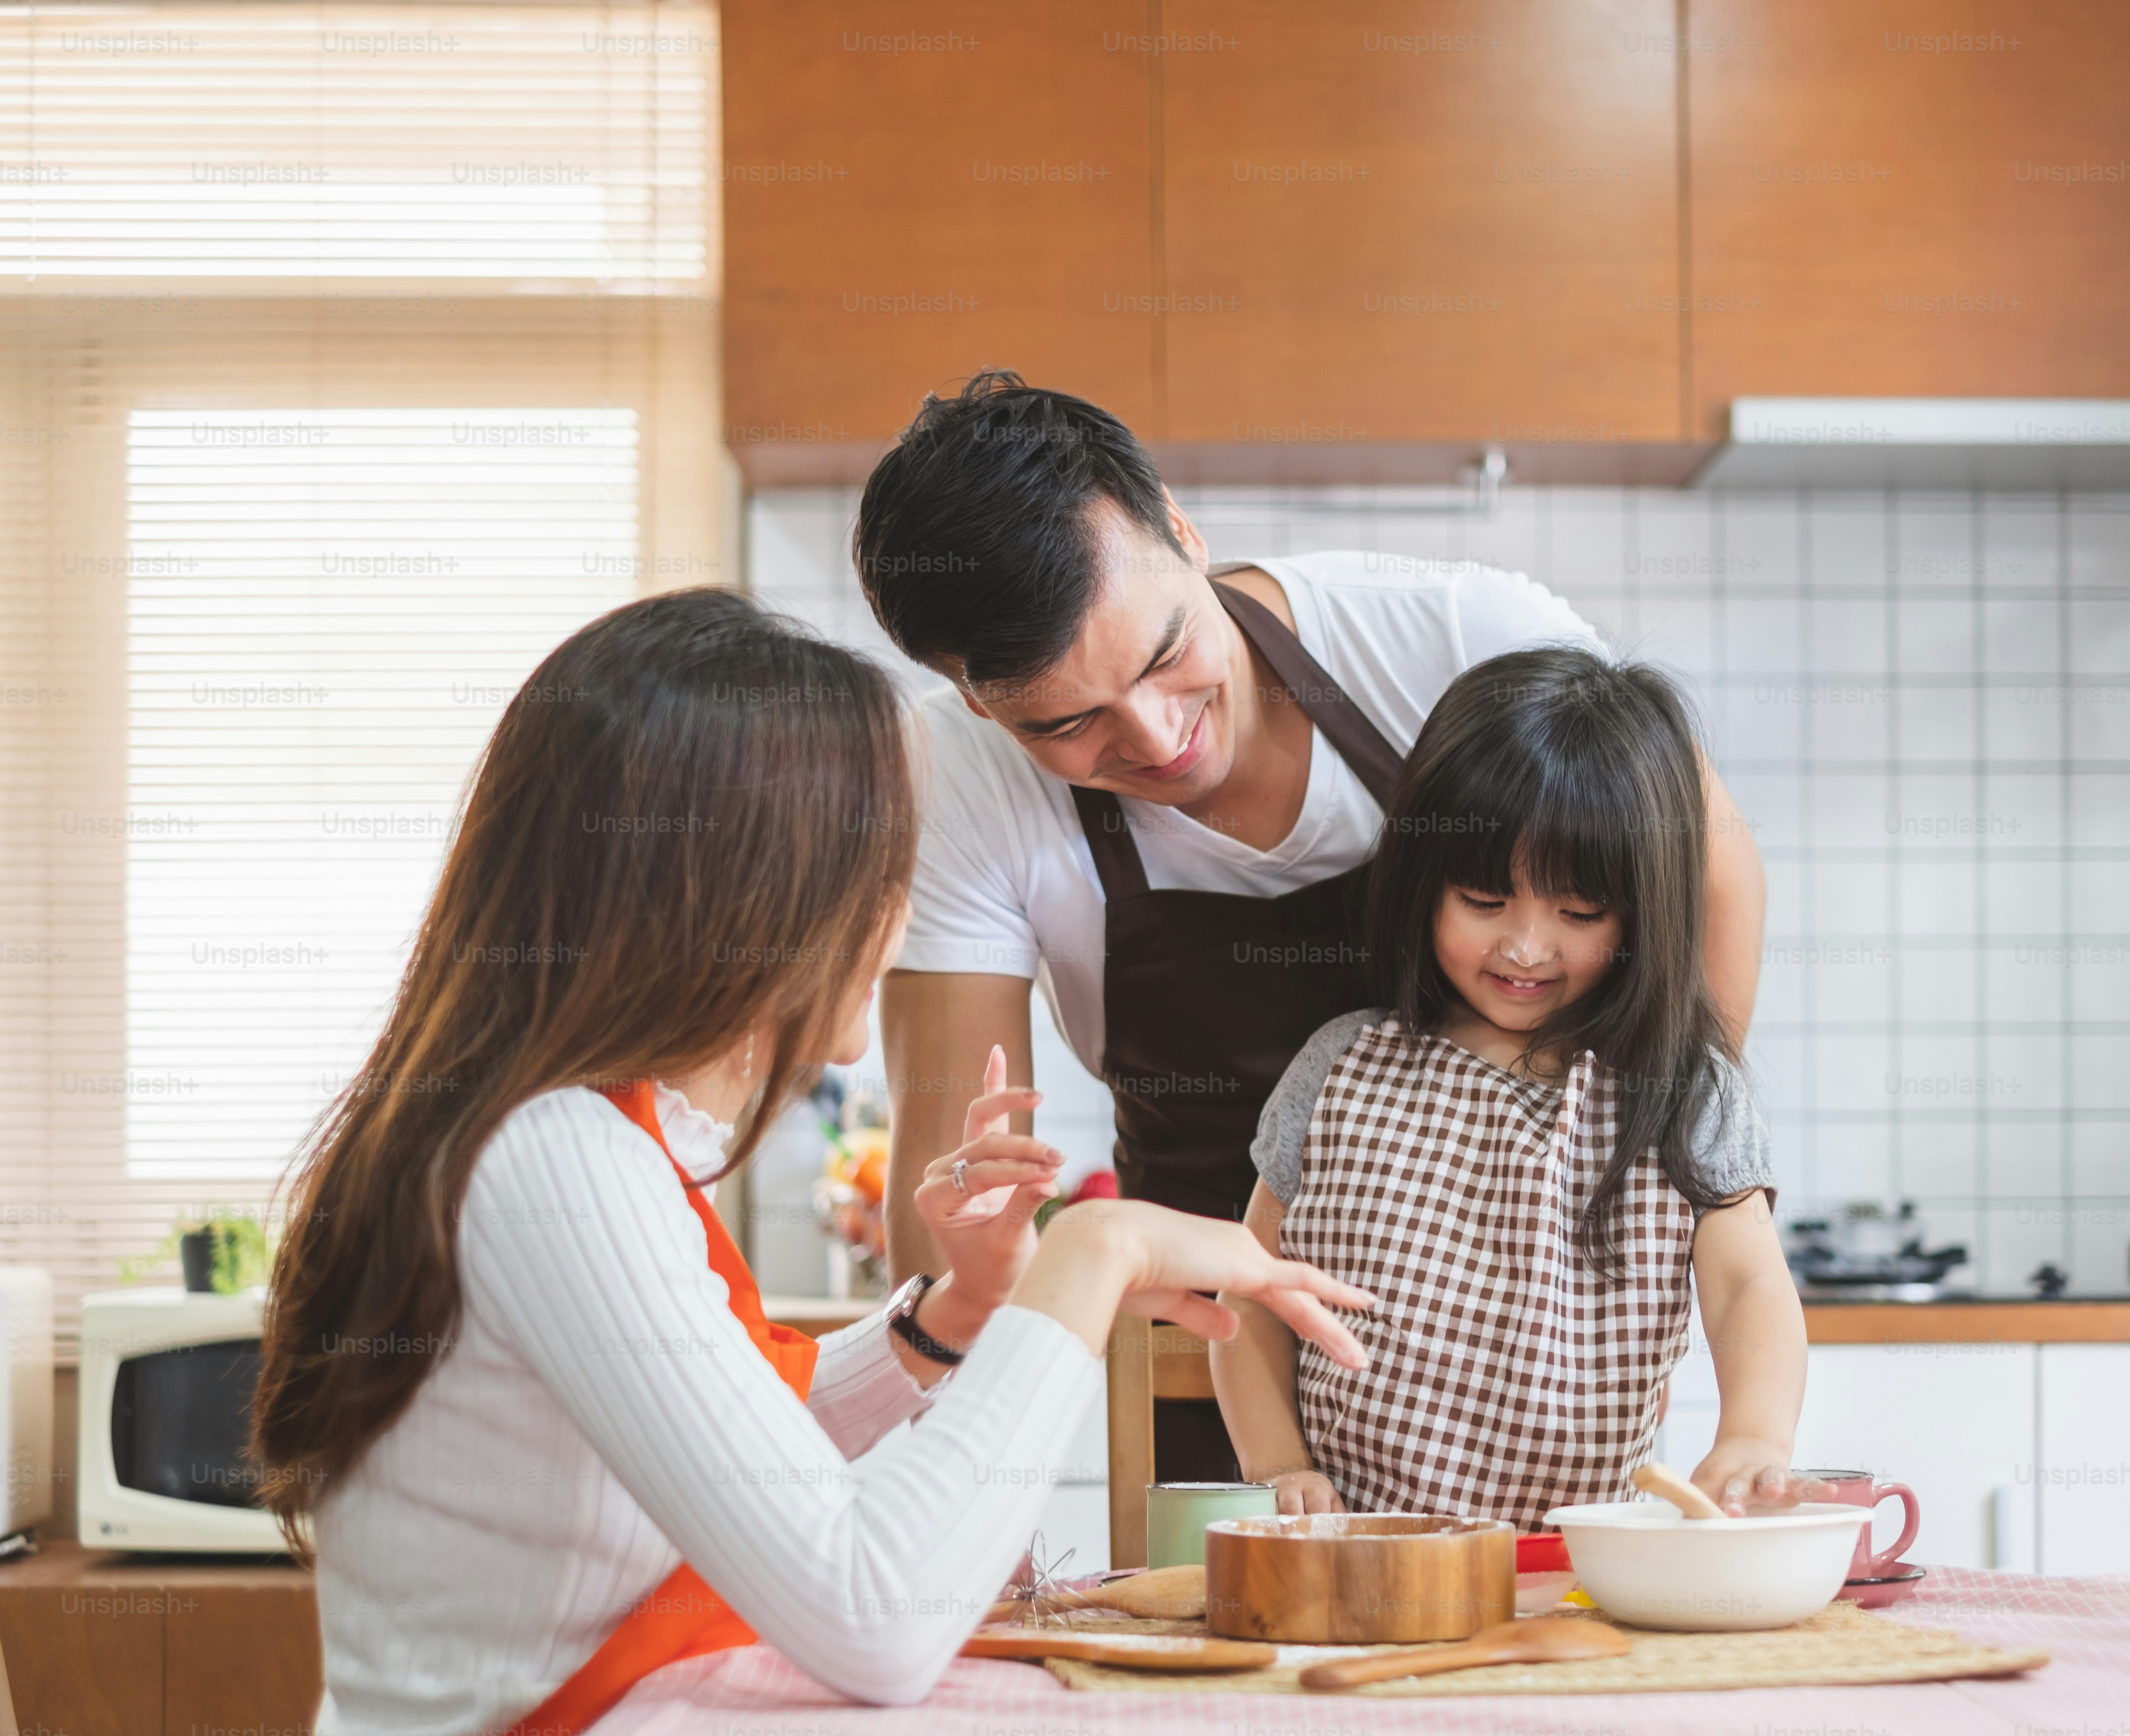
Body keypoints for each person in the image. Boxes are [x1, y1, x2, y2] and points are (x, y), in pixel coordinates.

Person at [251, 590, 1369, 1733]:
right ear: (756, 905)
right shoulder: (558, 1164)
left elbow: (727, 1452)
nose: (898, 916)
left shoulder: (551, 1134)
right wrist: (1093, 1252)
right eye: (885, 874)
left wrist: (951, 1320)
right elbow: (877, 1614)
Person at [853, 371, 1768, 1480]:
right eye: (1070, 723)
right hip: (1213, 1311)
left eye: (1162, 655)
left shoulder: (1458, 636)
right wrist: (942, 1473)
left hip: (1532, 1308)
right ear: (978, 702)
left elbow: (1706, 869)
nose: (1158, 740)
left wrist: (1646, 1158)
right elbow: (956, 1167)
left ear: (1181, 530)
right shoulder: (955, 773)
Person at [1210, 648, 1813, 1523]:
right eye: (1485, 900)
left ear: (1644, 908)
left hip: (1584, 1565)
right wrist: (1276, 1463)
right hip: (1365, 1552)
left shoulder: (1682, 1091)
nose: (1527, 948)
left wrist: (1756, 1433)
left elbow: (1747, 1285)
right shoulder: (1339, 1067)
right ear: (1424, 886)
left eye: (1578, 914)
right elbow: (1255, 1296)